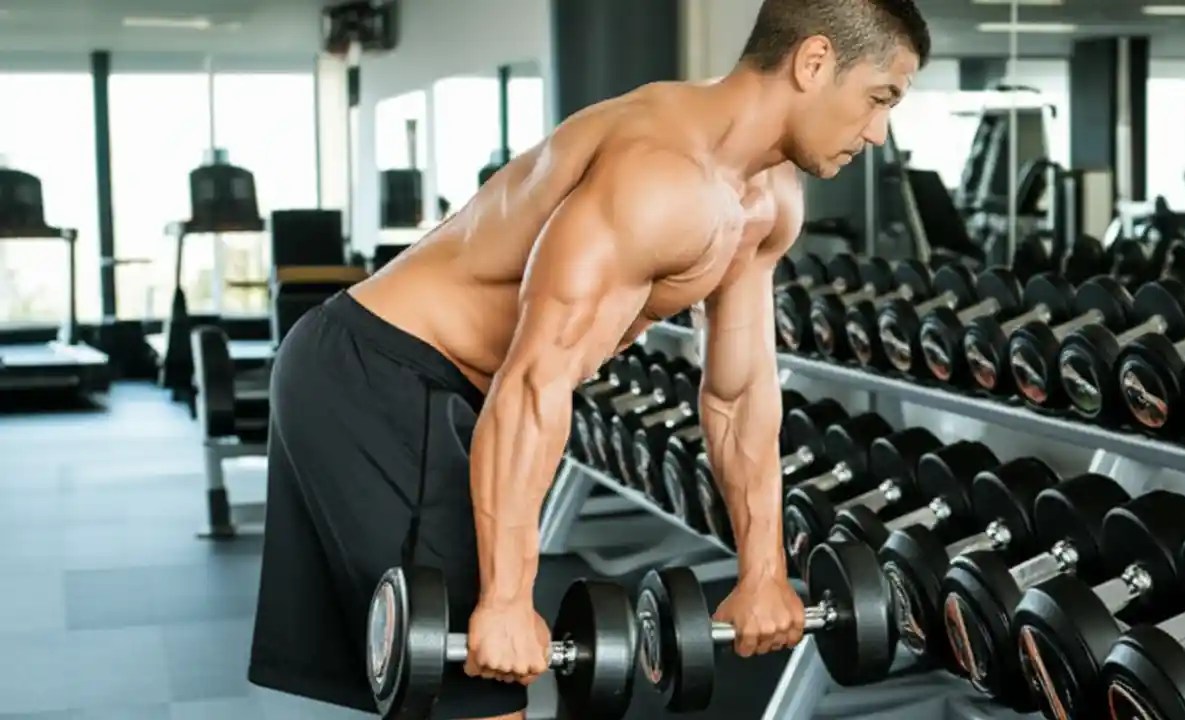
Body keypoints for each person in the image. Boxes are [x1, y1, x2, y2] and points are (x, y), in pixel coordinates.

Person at [248, 0, 929, 718]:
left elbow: (740, 393)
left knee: (454, 694)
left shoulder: (768, 198)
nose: (879, 131)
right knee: (477, 695)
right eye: (879, 98)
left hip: (454, 388)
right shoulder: (659, 176)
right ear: (814, 62)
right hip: (382, 371)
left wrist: (764, 571)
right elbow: (537, 379)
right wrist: (507, 598)